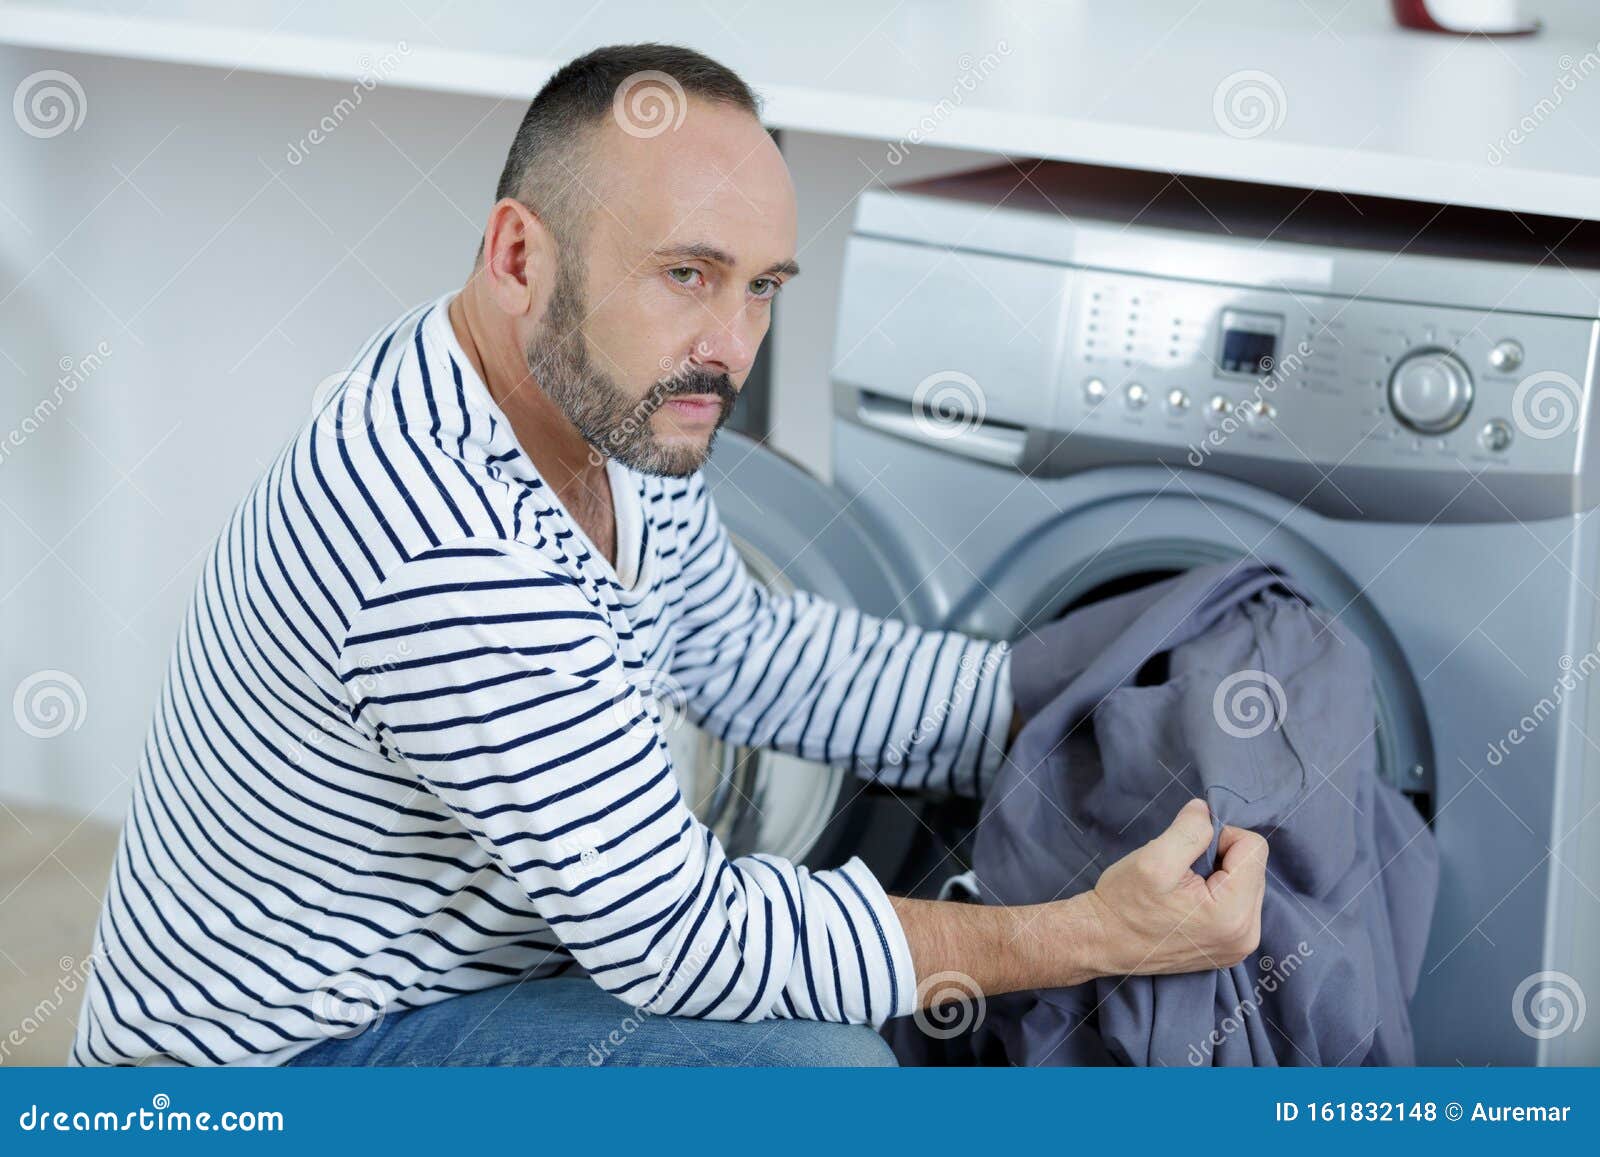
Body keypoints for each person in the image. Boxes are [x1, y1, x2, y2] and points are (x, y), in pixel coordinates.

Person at [72, 43, 1267, 1068]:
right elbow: (679, 936)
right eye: (686, 274)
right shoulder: (440, 544)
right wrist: (1091, 934)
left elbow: (743, 650)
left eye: (761, 290)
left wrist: (1065, 694)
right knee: (821, 1077)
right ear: (519, 255)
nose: (729, 348)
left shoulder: (598, 409)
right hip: (278, 1068)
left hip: (454, 988)